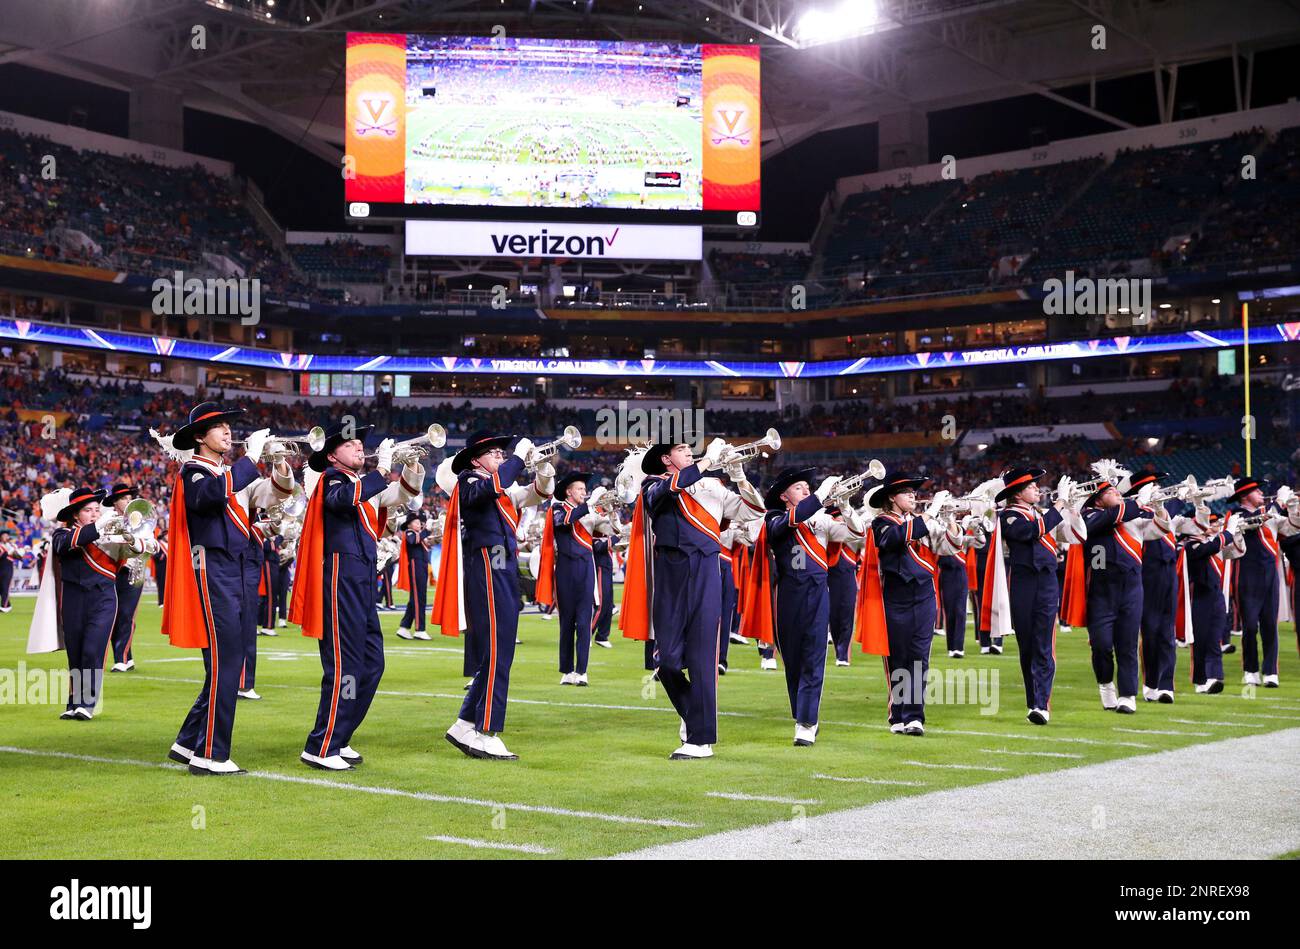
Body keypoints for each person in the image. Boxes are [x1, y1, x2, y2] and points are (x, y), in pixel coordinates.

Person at [290, 420, 422, 770]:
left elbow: (402, 495)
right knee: (344, 664)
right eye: (351, 445)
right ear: (332, 455)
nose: (360, 448)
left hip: (362, 577)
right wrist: (381, 468)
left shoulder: (362, 485)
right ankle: (321, 745)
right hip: (339, 576)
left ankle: (340, 734)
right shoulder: (333, 480)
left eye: (362, 444)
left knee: (372, 663)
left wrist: (410, 464)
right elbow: (343, 500)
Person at [162, 402, 280, 775]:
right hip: (213, 569)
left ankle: (187, 742)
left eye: (229, 426)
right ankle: (211, 753)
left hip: (236, 568)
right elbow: (207, 497)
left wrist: (276, 468)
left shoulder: (225, 472)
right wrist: (250, 459)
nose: (228, 432)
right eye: (219, 427)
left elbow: (267, 497)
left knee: (226, 663)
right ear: (200, 436)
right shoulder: (194, 472)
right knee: (226, 661)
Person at [627, 438, 764, 759]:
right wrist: (705, 462)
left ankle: (700, 740)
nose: (689, 452)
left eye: (692, 449)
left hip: (706, 568)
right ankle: (695, 717)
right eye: (681, 450)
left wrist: (741, 476)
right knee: (666, 662)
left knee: (704, 658)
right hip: (671, 571)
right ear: (665, 458)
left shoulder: (712, 486)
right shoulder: (652, 485)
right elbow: (665, 494)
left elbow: (753, 510)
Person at [435, 431, 553, 760]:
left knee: (497, 653)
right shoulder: (469, 481)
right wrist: (517, 457)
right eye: (495, 453)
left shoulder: (498, 486)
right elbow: (493, 486)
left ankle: (464, 724)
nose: (501, 457)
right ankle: (485, 728)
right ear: (476, 459)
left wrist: (543, 469)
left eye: (503, 453)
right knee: (499, 651)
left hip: (502, 566)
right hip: (487, 565)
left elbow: (538, 493)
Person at [745, 467, 863, 746]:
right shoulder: (775, 518)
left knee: (813, 656)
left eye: (808, 488)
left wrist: (845, 505)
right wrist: (821, 496)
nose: (807, 490)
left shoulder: (821, 520)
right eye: (800, 488)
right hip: (788, 595)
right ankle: (802, 714)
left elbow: (856, 534)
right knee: (794, 662)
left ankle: (806, 722)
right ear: (785, 496)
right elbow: (786, 524)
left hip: (819, 593)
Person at [989, 467, 1074, 724]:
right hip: (1024, 583)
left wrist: (1071, 507)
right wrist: (1059, 504)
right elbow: (1030, 532)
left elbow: (1074, 535)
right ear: (1017, 493)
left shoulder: (1040, 514)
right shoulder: (1010, 516)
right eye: (1031, 486)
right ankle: (1033, 702)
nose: (1038, 489)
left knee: (1042, 644)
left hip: (1046, 582)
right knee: (1026, 646)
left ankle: (1041, 703)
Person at [867, 471, 945, 735]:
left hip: (923, 594)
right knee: (897, 658)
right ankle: (898, 713)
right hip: (896, 597)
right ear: (892, 497)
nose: (913, 495)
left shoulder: (920, 521)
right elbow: (893, 539)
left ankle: (914, 716)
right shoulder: (881, 523)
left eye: (914, 491)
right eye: (907, 492)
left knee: (919, 658)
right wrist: (929, 514)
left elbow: (950, 546)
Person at [1078, 478, 1146, 713]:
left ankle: (1128, 695)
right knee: (1101, 645)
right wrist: (1137, 503)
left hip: (1131, 585)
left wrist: (1156, 508)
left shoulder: (1129, 517)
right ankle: (1106, 686)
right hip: (1101, 589)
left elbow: (1160, 530)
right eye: (1111, 492)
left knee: (1127, 643)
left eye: (1118, 491)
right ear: (1097, 498)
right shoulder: (1087, 515)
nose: (1118, 494)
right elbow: (1105, 520)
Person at [537, 470, 609, 686]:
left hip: (586, 568)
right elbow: (563, 522)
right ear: (569, 492)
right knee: (566, 622)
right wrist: (589, 506)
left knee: (584, 622)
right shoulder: (558, 508)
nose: (584, 493)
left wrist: (607, 512)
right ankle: (567, 670)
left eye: (585, 490)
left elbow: (607, 530)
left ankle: (582, 671)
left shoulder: (588, 511)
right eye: (580, 489)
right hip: (565, 570)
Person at [1228, 477, 1287, 687]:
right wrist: (1278, 504)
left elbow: (1291, 528)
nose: (1262, 494)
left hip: (1270, 575)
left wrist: (1294, 509)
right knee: (1250, 626)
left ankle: (1271, 672)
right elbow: (1253, 522)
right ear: (1245, 495)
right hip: (1247, 575)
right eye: (1257, 491)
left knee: (1270, 625)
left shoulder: (1270, 514)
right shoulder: (1236, 516)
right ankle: (1250, 669)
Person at [105, 484, 144, 673]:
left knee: (127, 614)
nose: (129, 502)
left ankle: (120, 658)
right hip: (113, 570)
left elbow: (149, 545)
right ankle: (126, 657)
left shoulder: (140, 521)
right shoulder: (108, 520)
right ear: (115, 502)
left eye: (130, 499)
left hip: (133, 570)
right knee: (114, 614)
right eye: (124, 499)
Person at [396, 512, 433, 640]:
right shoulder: (409, 533)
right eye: (416, 522)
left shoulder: (417, 534)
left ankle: (404, 627)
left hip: (421, 566)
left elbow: (423, 542)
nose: (419, 524)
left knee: (415, 599)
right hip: (415, 565)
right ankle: (419, 629)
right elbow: (414, 541)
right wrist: (427, 531)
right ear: (410, 524)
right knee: (419, 598)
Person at [0, 529, 16, 612]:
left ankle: (4, 606)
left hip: (7, 568)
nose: (6, 537)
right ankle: (8, 605)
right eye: (4, 535)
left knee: (5, 586)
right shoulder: (1, 546)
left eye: (7, 535)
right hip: (1, 567)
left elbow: (18, 556)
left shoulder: (11, 546)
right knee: (1, 588)